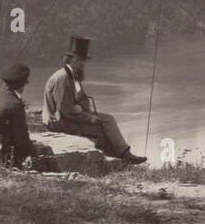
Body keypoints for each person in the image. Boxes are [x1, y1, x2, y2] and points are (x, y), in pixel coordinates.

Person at [42, 36, 146, 164]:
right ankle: (120, 160)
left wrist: (81, 107)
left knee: (108, 119)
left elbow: (81, 100)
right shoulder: (63, 78)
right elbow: (64, 110)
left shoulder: (73, 76)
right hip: (59, 122)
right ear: (72, 59)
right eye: (81, 60)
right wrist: (89, 118)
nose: (83, 63)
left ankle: (124, 154)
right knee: (101, 130)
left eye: (84, 60)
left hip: (71, 116)